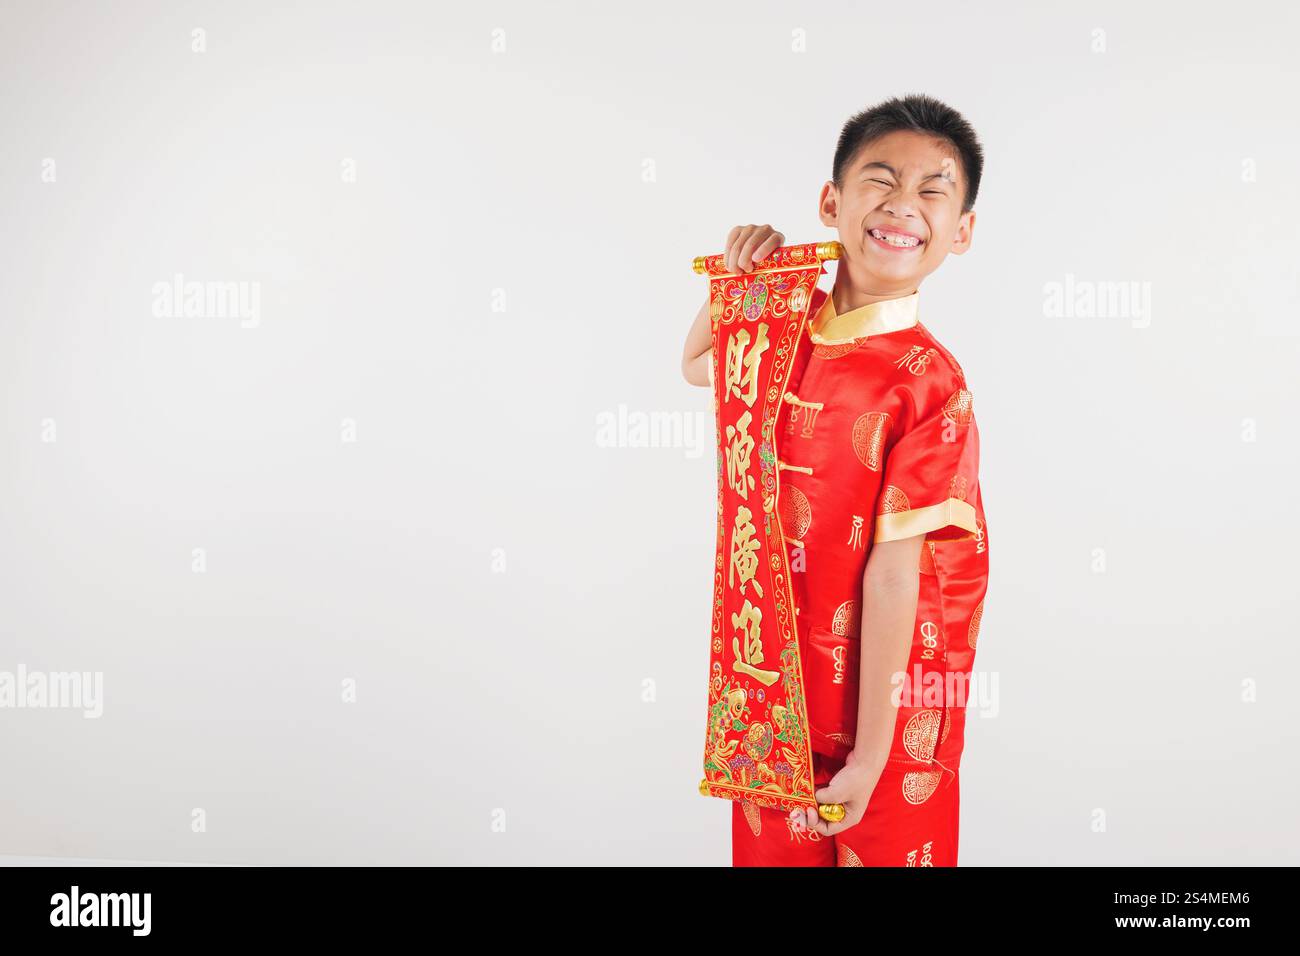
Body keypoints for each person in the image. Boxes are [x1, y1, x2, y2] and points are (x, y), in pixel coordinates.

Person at [681, 94, 989, 866]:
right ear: (832, 201)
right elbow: (698, 365)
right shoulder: (776, 322)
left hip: (884, 700)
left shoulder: (930, 383)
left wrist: (874, 754)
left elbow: (896, 577)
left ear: (962, 233)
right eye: (879, 180)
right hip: (772, 683)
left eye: (933, 192)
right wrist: (738, 281)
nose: (902, 207)